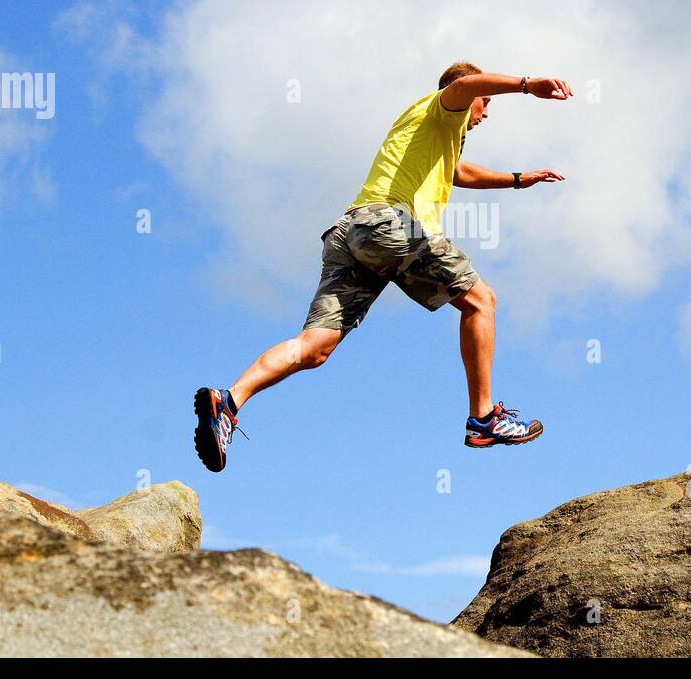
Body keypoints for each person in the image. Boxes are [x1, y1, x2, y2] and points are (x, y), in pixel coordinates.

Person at [194, 62, 572, 471]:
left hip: (350, 232)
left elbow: (459, 172)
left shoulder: (433, 135)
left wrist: (517, 179)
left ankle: (228, 402)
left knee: (314, 347)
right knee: (481, 300)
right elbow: (465, 84)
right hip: (388, 222)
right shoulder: (446, 105)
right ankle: (484, 419)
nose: (486, 112)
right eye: (486, 103)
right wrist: (526, 84)